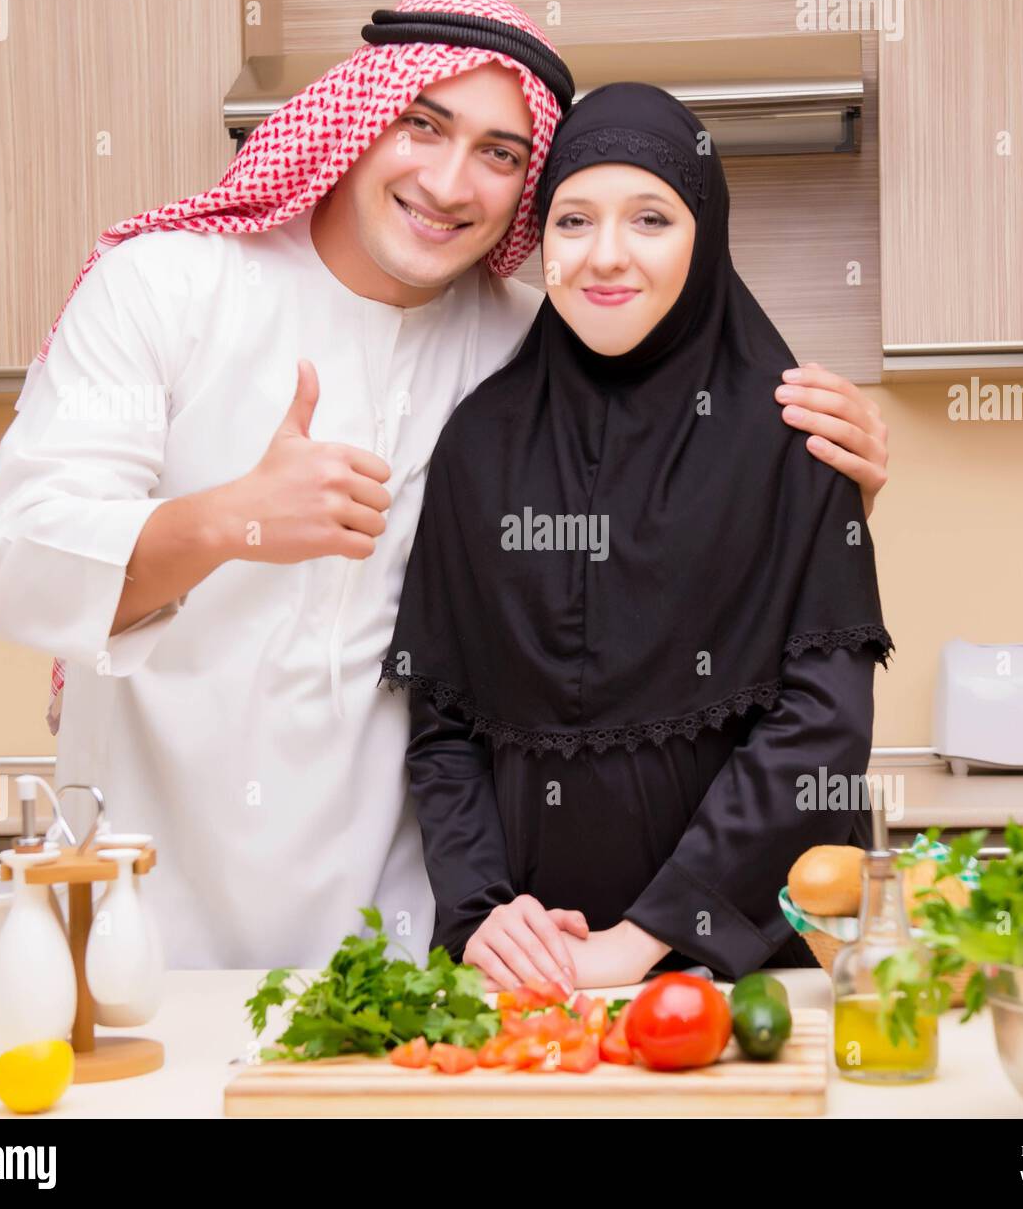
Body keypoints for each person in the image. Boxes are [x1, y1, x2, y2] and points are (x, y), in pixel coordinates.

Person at [0, 0, 889, 970]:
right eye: (423, 124)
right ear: (359, 118)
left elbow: (660, 575)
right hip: (157, 912)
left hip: (403, 936)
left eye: (499, 154)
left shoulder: (521, 345)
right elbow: (19, 565)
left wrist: (822, 502)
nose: (451, 182)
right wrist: (230, 520)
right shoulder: (166, 287)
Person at [382, 83, 895, 993]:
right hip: (528, 980)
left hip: (749, 977)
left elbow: (822, 726)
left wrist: (647, 937)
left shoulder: (799, 434)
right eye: (573, 221)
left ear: (706, 236)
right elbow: (443, 726)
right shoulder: (477, 443)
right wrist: (482, 913)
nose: (605, 257)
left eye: (650, 218)